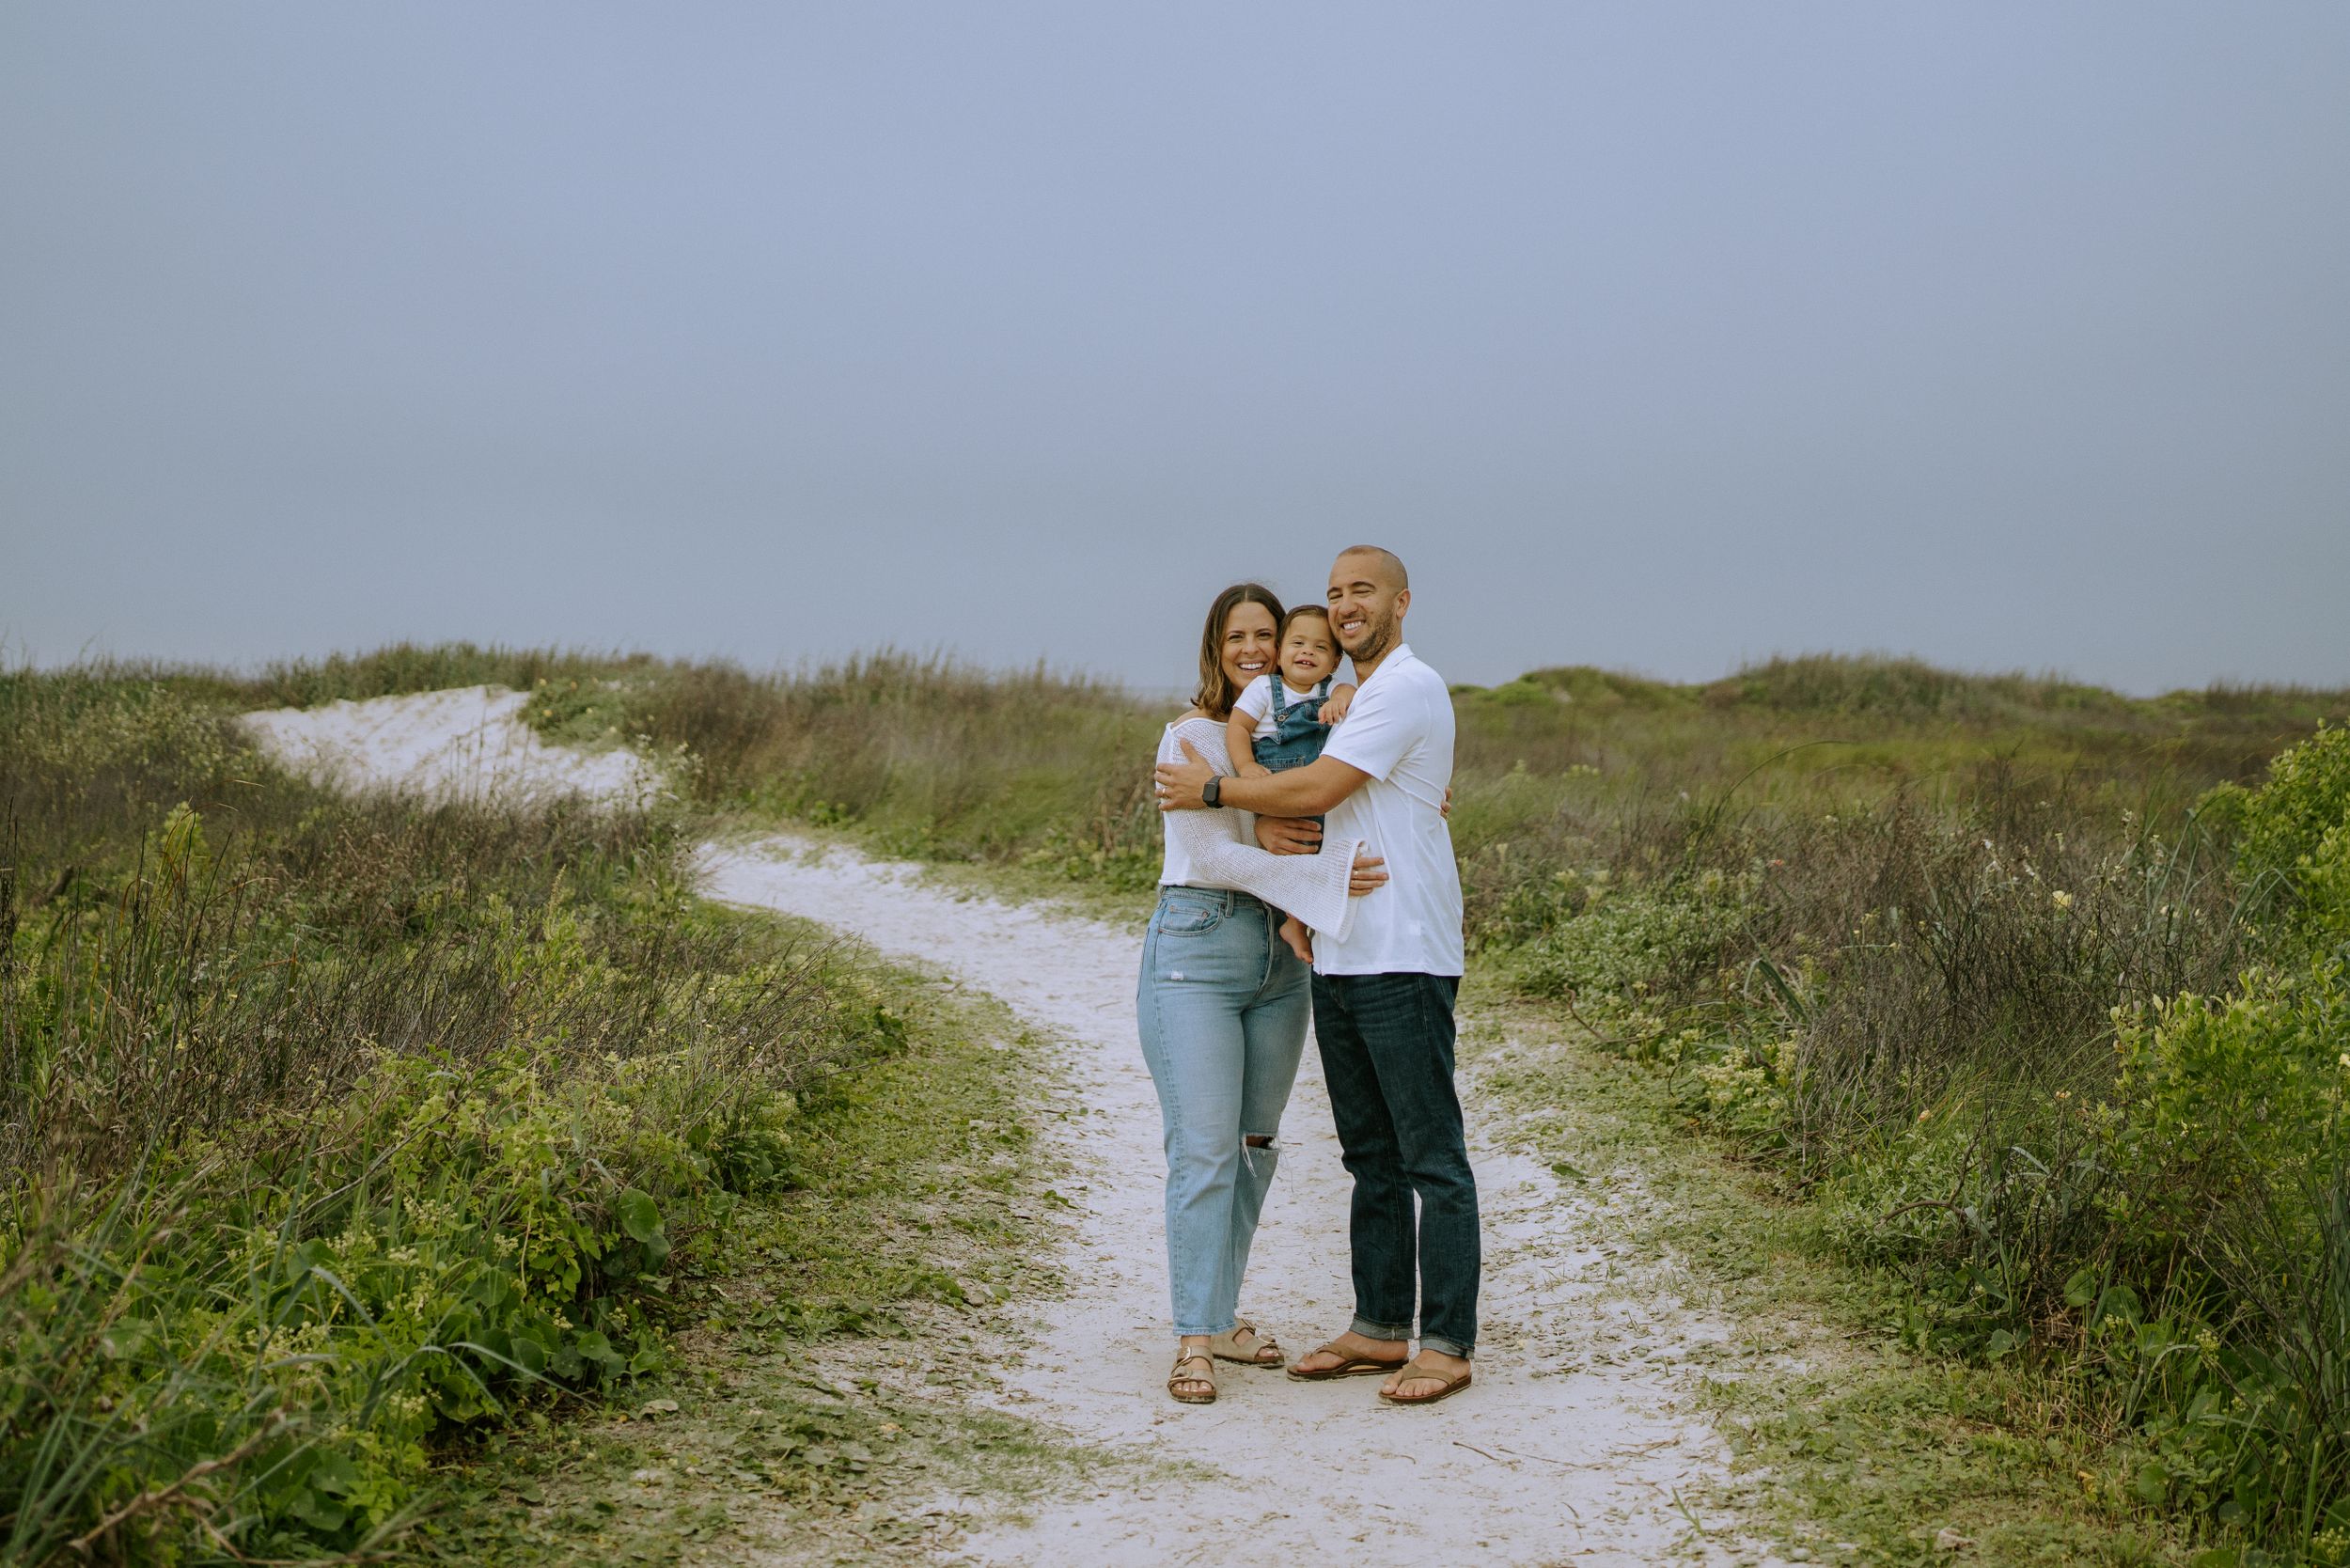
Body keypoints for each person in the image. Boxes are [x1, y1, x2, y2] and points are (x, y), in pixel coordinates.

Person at [1155, 546, 1477, 1406]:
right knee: (1370, 1154)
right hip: (1336, 947)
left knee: (1431, 1156)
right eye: (1333, 594)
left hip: (1402, 950)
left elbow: (1324, 789)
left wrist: (1217, 794)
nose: (1343, 607)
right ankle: (1379, 1328)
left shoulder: (1405, 687)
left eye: (1361, 591)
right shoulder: (1346, 700)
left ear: (1402, 600)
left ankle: (1445, 1342)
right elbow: (1334, 794)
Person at [1139, 582, 1389, 1406]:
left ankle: (1222, 1314)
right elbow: (1214, 857)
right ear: (1215, 648)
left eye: (1267, 635)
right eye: (1237, 636)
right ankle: (1192, 1340)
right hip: (1199, 949)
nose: (1254, 648)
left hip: (1282, 961)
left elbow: (1348, 797)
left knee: (1253, 1148)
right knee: (1205, 1148)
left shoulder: (1305, 724)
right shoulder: (1191, 736)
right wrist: (1306, 863)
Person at [1223, 604, 1355, 964]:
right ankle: (1292, 921)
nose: (1307, 652)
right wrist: (1246, 765)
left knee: (1320, 852)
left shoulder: (1331, 690)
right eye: (1298, 643)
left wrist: (1342, 697)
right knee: (1293, 855)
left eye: (1320, 647)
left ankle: (1301, 921)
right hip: (1274, 784)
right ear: (1279, 653)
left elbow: (1350, 692)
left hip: (1320, 793)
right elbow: (1238, 728)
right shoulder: (1266, 688)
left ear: (1335, 660)